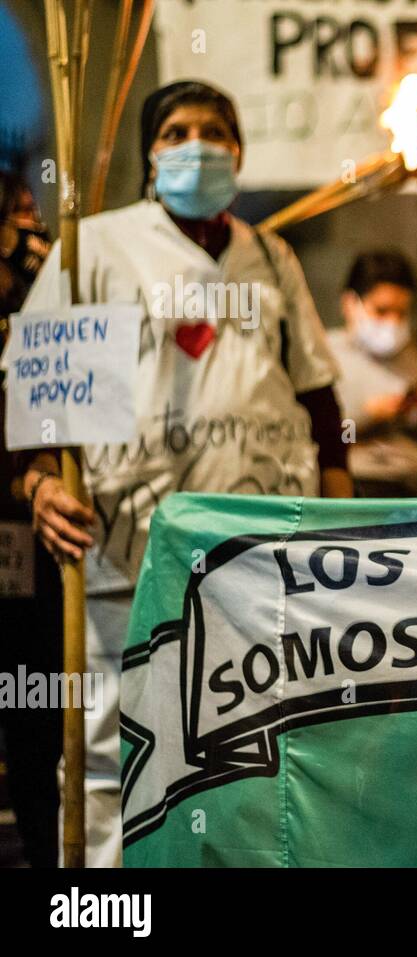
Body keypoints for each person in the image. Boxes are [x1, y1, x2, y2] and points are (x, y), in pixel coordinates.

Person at [7, 80, 352, 866]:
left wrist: (339, 518)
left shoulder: (270, 255)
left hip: (257, 555)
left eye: (215, 132)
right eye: (176, 133)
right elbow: (34, 393)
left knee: (253, 741)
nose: (198, 145)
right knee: (109, 744)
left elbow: (321, 400)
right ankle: (101, 901)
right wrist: (38, 484)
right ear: (148, 155)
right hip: (126, 544)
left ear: (239, 150)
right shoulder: (91, 247)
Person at [0, 166, 60, 867]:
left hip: (33, 538)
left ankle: (47, 857)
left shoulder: (46, 302)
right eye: (16, 215)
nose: (31, 229)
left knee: (36, 716)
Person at [328, 250, 417, 497]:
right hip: (355, 486)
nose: (392, 323)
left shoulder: (413, 360)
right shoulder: (324, 356)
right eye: (382, 311)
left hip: (413, 490)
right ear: (350, 304)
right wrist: (368, 416)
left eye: (401, 313)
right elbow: (309, 441)